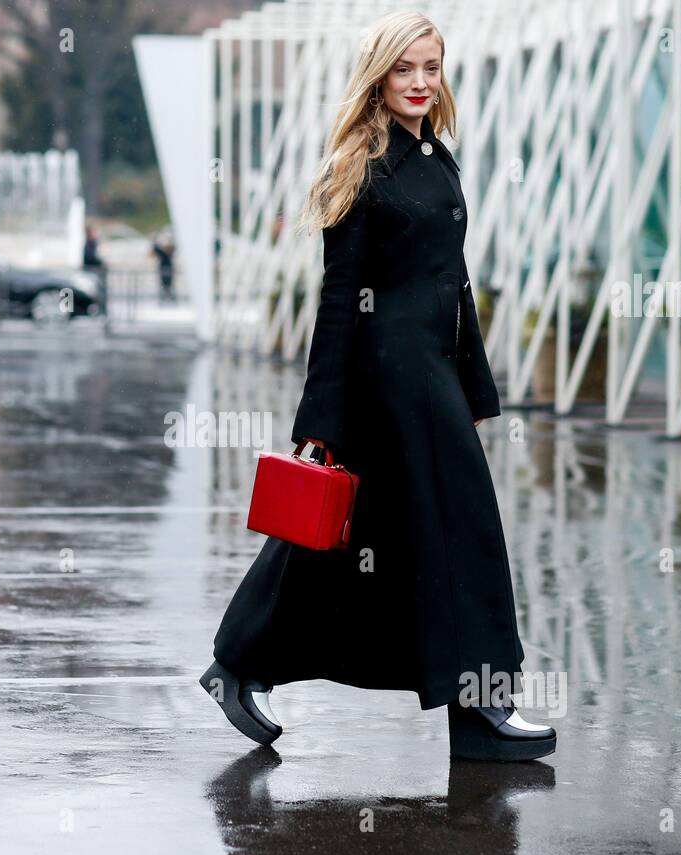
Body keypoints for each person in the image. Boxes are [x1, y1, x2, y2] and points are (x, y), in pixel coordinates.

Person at [201, 11, 557, 762]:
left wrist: (474, 387)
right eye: (406, 69)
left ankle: (474, 713)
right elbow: (339, 300)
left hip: (433, 380)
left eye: (432, 67)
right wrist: (321, 416)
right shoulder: (361, 167)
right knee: (366, 535)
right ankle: (241, 663)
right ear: (378, 76)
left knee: (399, 543)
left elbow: (453, 285)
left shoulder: (436, 157)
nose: (422, 82)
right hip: (382, 385)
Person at [151, 228, 176, 303]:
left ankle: (168, 297)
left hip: (168, 268)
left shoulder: (168, 251)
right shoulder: (164, 252)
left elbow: (158, 249)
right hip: (164, 268)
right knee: (165, 284)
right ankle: (166, 297)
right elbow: (156, 250)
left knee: (168, 284)